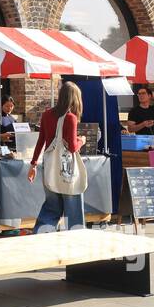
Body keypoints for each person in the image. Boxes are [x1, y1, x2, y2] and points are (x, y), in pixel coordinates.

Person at [27, 81, 87, 231]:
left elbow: (41, 141)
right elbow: (73, 147)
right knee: (73, 208)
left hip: (49, 166)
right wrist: (82, 140)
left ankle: (41, 233)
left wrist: (33, 164)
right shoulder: (70, 118)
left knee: (51, 206)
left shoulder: (47, 114)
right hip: (67, 169)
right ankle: (76, 237)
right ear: (75, 99)